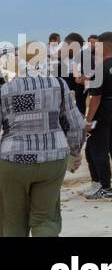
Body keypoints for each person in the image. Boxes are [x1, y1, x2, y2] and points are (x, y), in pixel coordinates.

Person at [0, 63, 86, 236]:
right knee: (45, 218)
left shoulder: (5, 90)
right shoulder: (60, 85)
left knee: (12, 220)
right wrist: (74, 151)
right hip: (53, 159)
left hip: (13, 161)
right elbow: (76, 124)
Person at [82, 31, 112, 200]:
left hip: (102, 111)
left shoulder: (99, 68)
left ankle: (105, 187)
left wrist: (88, 120)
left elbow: (95, 97)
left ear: (104, 45)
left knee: (98, 150)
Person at [62, 33, 86, 114]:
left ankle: (81, 119)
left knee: (80, 101)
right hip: (66, 77)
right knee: (63, 100)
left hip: (79, 79)